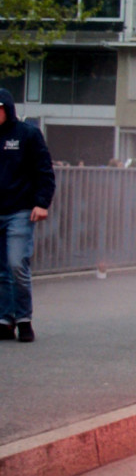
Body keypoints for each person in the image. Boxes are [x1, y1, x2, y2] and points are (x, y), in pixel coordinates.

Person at [0, 89, 55, 343]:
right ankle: (5, 318)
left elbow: (44, 171)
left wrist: (42, 203)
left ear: (7, 109)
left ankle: (24, 319)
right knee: (0, 270)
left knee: (16, 263)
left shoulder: (28, 135)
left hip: (20, 211)